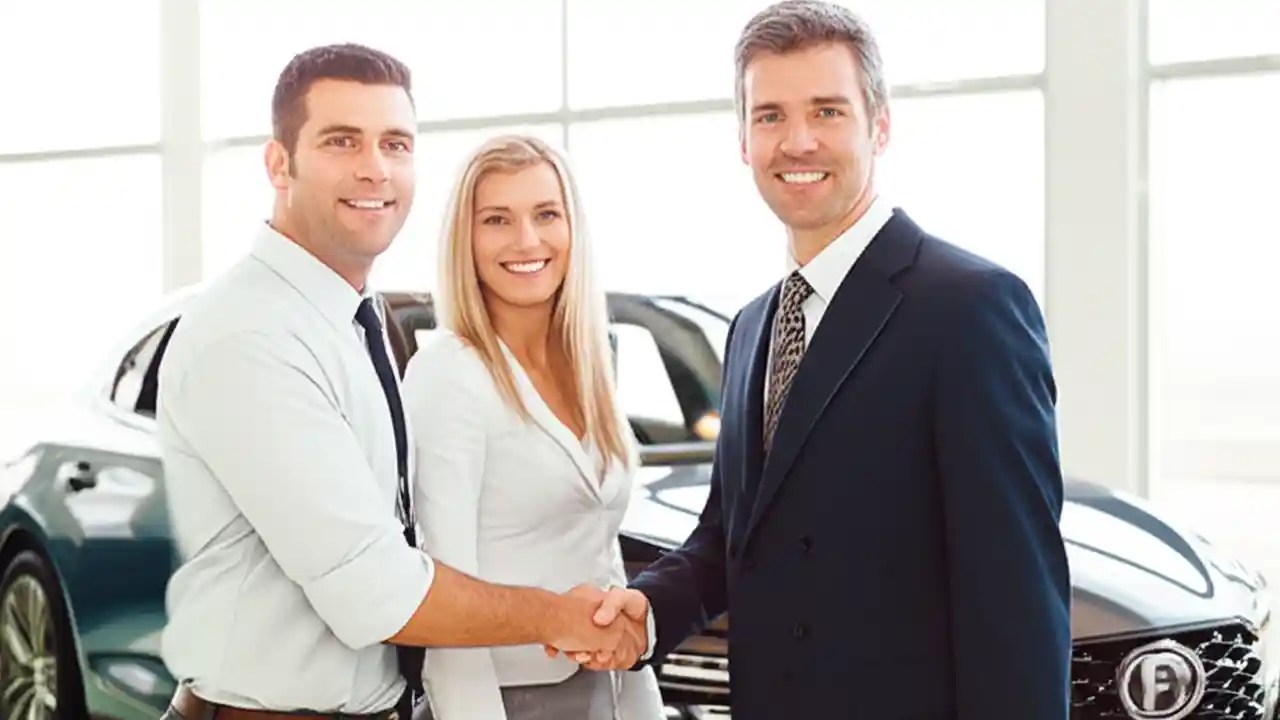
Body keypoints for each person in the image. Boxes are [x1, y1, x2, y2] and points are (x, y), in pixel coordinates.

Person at [576, 2, 1072, 718]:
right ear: (743, 140)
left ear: (880, 125)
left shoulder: (969, 309)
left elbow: (1015, 596)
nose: (797, 141)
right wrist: (648, 610)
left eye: (827, 112)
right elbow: (731, 538)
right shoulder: (753, 327)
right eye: (770, 116)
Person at [156, 44, 641, 720]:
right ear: (279, 164)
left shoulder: (350, 318)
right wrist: (560, 616)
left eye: (395, 144)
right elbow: (375, 590)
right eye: (341, 141)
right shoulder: (253, 335)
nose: (375, 168)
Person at [399, 135, 665, 720]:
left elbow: (602, 556)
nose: (527, 240)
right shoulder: (449, 374)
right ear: (466, 239)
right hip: (501, 702)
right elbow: (442, 597)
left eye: (546, 214)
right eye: (497, 219)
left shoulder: (587, 364)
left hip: (607, 692)